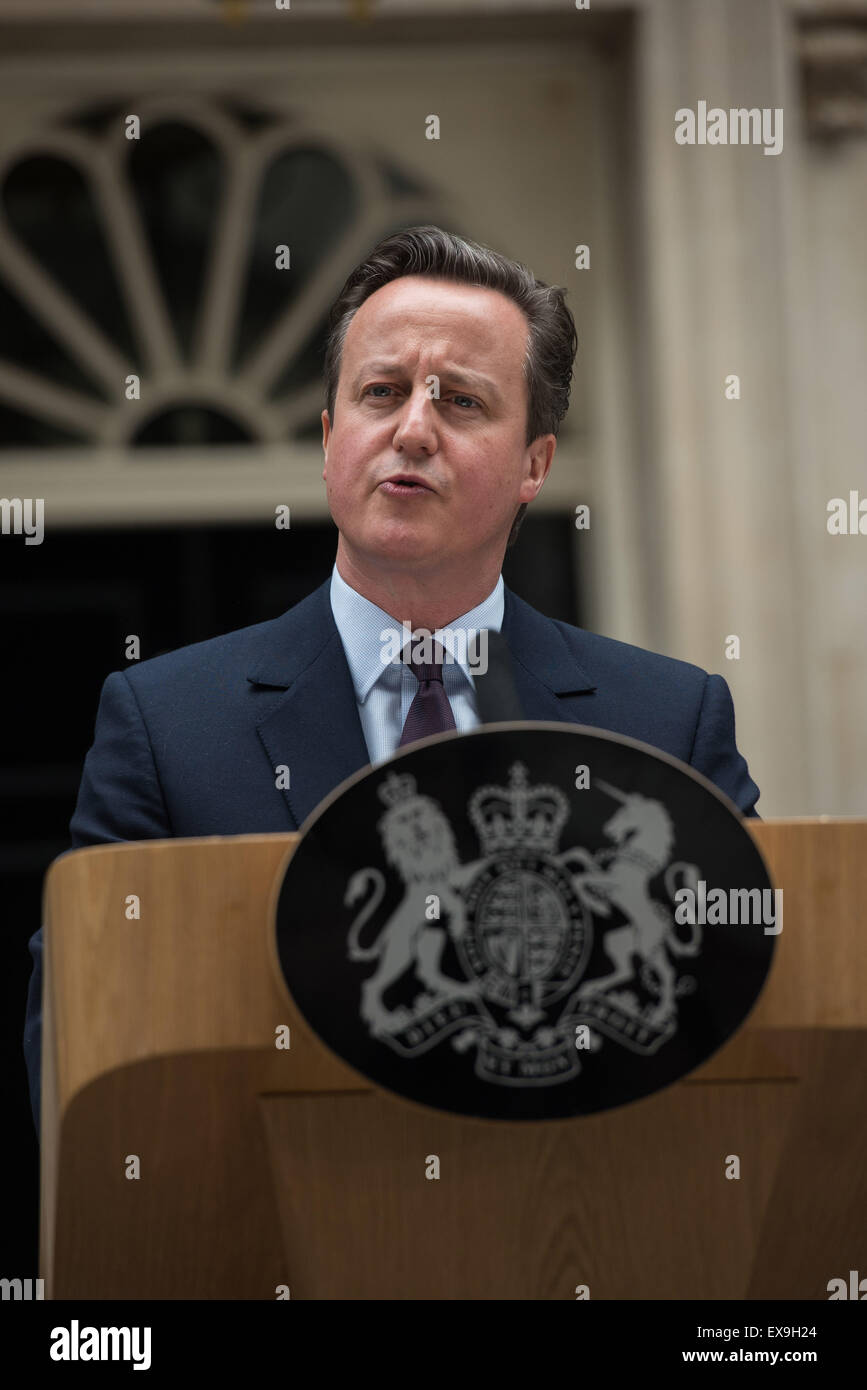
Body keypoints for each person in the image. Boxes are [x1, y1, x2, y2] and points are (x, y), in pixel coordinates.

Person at [23, 225, 759, 1134]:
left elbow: (754, 1011)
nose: (412, 430)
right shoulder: (167, 726)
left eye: (461, 402)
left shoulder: (667, 721)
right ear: (329, 439)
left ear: (535, 464)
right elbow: (80, 1038)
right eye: (381, 393)